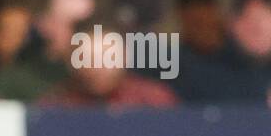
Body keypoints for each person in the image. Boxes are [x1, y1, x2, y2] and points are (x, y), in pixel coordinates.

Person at [38, 22, 179, 108]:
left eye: (110, 57)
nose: (100, 68)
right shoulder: (58, 104)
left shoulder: (153, 100)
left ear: (124, 58)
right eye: (90, 59)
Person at [0, 0, 96, 102]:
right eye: (77, 25)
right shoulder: (18, 78)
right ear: (47, 24)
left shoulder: (100, 83)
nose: (84, 35)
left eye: (91, 26)